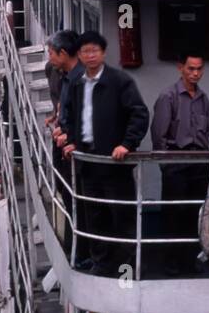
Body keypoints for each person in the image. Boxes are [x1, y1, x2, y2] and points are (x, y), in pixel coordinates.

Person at [58, 31, 150, 276]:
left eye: (94, 51)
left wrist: (127, 144)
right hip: (88, 161)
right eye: (85, 52)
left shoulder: (120, 81)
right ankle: (102, 263)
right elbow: (73, 115)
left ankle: (126, 265)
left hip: (114, 162)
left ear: (104, 53)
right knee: (95, 215)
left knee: (121, 215)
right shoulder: (78, 83)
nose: (90, 56)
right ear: (79, 55)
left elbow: (139, 114)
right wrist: (73, 141)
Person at [151, 53, 209, 275]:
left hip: (200, 164)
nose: (195, 73)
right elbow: (159, 135)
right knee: (174, 214)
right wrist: (167, 165)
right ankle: (171, 264)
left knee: (194, 214)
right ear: (181, 68)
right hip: (176, 163)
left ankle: (190, 260)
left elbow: (206, 130)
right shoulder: (168, 96)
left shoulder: (203, 98)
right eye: (191, 69)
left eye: (199, 69)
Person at [48, 31, 85, 258]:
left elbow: (87, 119)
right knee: (70, 199)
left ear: (63, 53)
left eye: (51, 53)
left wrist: (71, 138)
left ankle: (80, 254)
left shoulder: (80, 80)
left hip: (76, 155)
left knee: (78, 205)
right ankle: (76, 251)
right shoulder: (67, 77)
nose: (49, 58)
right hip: (67, 150)